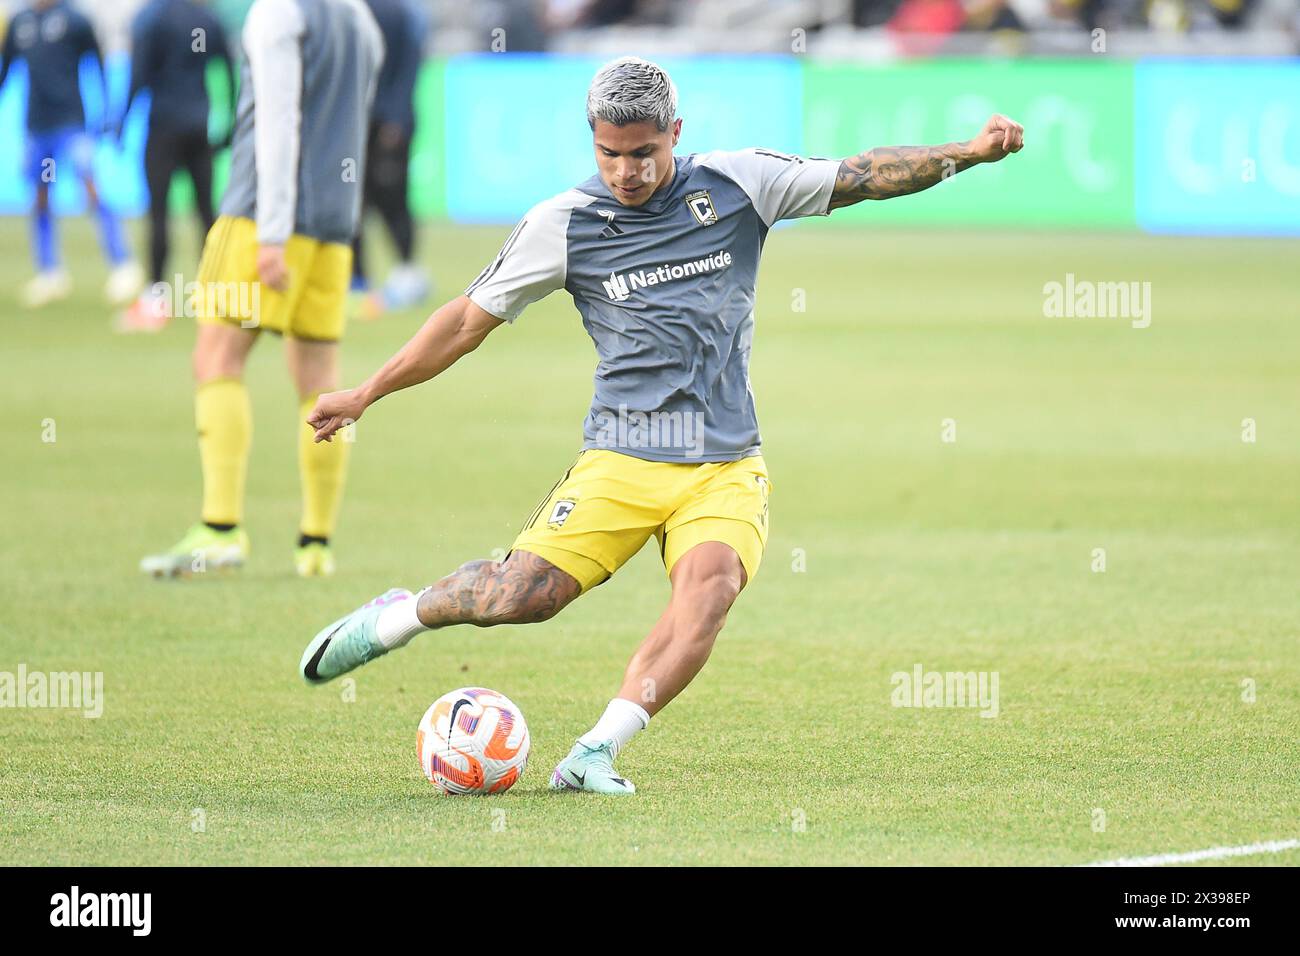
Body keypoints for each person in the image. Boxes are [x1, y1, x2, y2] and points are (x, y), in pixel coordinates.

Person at [297, 57, 1024, 793]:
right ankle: (402, 615)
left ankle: (593, 753)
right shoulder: (563, 224)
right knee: (520, 599)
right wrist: (364, 393)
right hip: (622, 456)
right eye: (609, 153)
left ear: (675, 133)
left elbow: (863, 174)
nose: (627, 171)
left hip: (725, 464)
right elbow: (461, 323)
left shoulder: (742, 183)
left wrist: (968, 153)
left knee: (708, 593)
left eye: (643, 152)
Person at [140, 0, 384, 579]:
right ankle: (315, 544)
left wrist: (271, 234)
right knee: (320, 381)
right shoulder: (360, 20)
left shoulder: (278, 11)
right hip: (332, 229)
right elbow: (353, 123)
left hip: (262, 220)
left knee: (216, 357)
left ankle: (220, 528)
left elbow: (279, 121)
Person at [0, 0, 143, 308]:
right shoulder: (20, 22)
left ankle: (123, 264)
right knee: (40, 197)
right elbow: (7, 69)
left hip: (71, 125)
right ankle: (50, 272)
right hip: (37, 127)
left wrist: (106, 111)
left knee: (90, 188)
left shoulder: (75, 20)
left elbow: (99, 63)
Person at [118, 0, 236, 332]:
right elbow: (227, 69)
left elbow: (138, 74)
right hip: (199, 125)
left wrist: (122, 121)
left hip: (164, 126)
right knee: (206, 213)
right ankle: (214, 294)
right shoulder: (208, 19)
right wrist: (227, 124)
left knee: (158, 212)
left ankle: (156, 298)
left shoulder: (153, 19)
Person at [350, 0, 430, 319]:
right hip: (363, 122)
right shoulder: (356, 11)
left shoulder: (393, 14)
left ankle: (406, 272)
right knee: (356, 202)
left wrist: (395, 118)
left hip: (383, 124)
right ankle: (358, 279)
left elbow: (408, 66)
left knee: (391, 199)